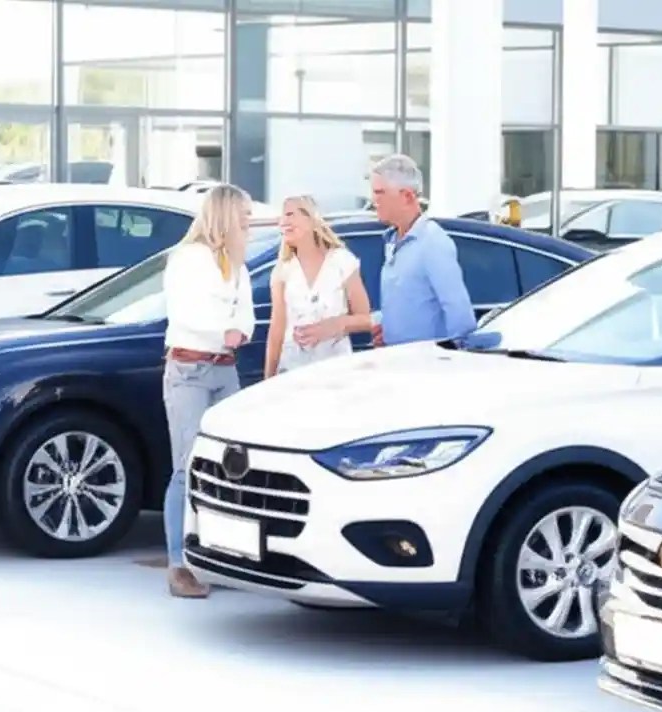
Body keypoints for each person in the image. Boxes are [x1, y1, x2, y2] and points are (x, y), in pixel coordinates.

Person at [161, 183, 256, 599]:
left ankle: (223, 557)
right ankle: (179, 564)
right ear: (225, 215)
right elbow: (188, 314)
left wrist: (238, 331)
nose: (249, 221)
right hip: (189, 370)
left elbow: (246, 315)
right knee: (187, 467)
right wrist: (226, 329)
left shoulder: (237, 263)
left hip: (225, 369)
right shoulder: (187, 258)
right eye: (244, 214)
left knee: (230, 467)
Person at [367, 154, 476, 347]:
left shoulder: (432, 242)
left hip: (425, 361)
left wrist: (454, 356)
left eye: (380, 192)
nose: (373, 200)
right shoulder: (392, 240)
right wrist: (388, 328)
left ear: (407, 196)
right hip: (398, 358)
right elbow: (412, 302)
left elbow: (459, 315)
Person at [264, 195, 373, 378]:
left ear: (310, 219)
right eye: (281, 217)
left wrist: (334, 326)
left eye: (290, 214)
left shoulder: (342, 261)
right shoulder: (282, 270)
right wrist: (268, 380)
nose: (283, 222)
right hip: (293, 373)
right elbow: (276, 331)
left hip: (336, 373)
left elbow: (366, 319)